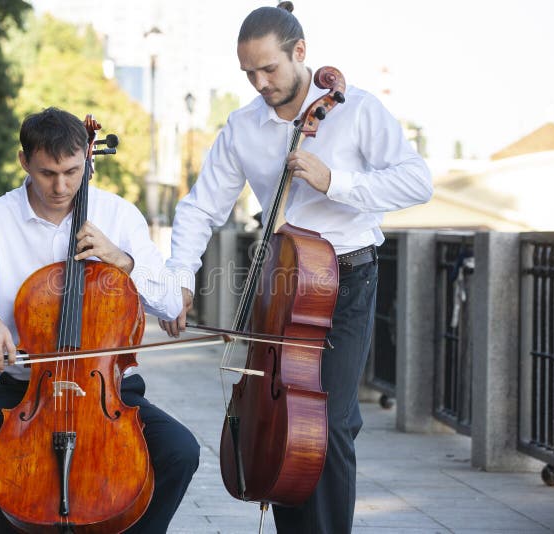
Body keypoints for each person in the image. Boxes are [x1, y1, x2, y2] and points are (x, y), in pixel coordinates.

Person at [160, 3, 432, 533]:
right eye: (249, 73)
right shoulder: (243, 127)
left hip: (348, 276)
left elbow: (417, 182)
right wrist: (179, 278)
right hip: (284, 281)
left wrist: (336, 181)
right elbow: (200, 208)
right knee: (284, 419)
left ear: (300, 52)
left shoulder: (356, 110)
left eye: (270, 69)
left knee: (329, 422)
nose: (260, 82)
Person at [0, 107, 199, 534]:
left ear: (87, 161)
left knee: (180, 451)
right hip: (27, 393)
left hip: (108, 393)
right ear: (24, 162)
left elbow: (169, 304)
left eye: (73, 172)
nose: (62, 186)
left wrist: (122, 260)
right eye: (47, 173)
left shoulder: (118, 216)